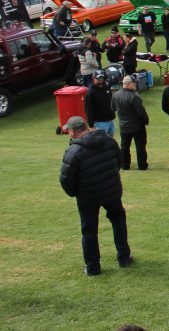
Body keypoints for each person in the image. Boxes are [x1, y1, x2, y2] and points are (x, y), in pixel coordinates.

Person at [59, 116, 132, 276]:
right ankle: (124, 257)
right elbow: (118, 161)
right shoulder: (108, 140)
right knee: (118, 220)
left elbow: (66, 179)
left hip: (88, 197)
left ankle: (93, 267)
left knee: (89, 230)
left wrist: (75, 193)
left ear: (72, 132)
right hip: (111, 191)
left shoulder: (74, 151)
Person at [113, 75, 148, 171]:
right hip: (137, 126)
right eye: (134, 83)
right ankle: (142, 165)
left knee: (124, 146)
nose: (135, 84)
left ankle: (125, 165)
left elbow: (113, 108)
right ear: (128, 84)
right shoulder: (134, 96)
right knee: (140, 146)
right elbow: (141, 112)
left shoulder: (116, 95)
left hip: (124, 126)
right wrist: (146, 120)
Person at [84, 71, 116, 136]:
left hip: (110, 120)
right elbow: (88, 110)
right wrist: (91, 125)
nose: (100, 80)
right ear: (93, 78)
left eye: (101, 78)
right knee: (102, 142)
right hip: (100, 122)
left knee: (110, 141)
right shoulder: (90, 92)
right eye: (98, 78)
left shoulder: (106, 87)